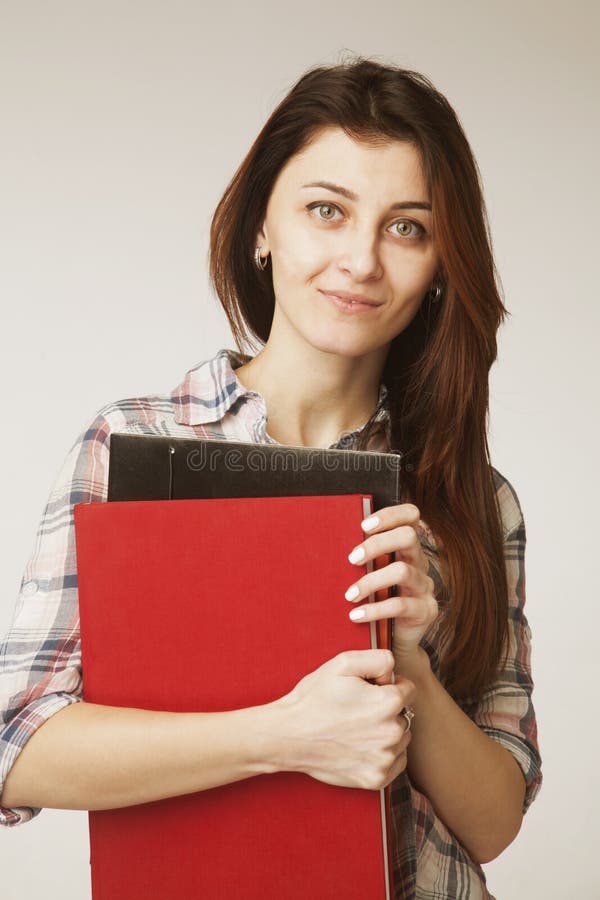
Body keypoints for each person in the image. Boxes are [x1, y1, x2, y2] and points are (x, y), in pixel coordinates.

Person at [0, 56, 542, 898]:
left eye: (407, 227)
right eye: (326, 210)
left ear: (442, 263)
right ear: (263, 226)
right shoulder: (133, 442)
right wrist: (283, 737)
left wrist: (411, 667)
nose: (360, 259)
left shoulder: (474, 498)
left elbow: (495, 822)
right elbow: (15, 749)